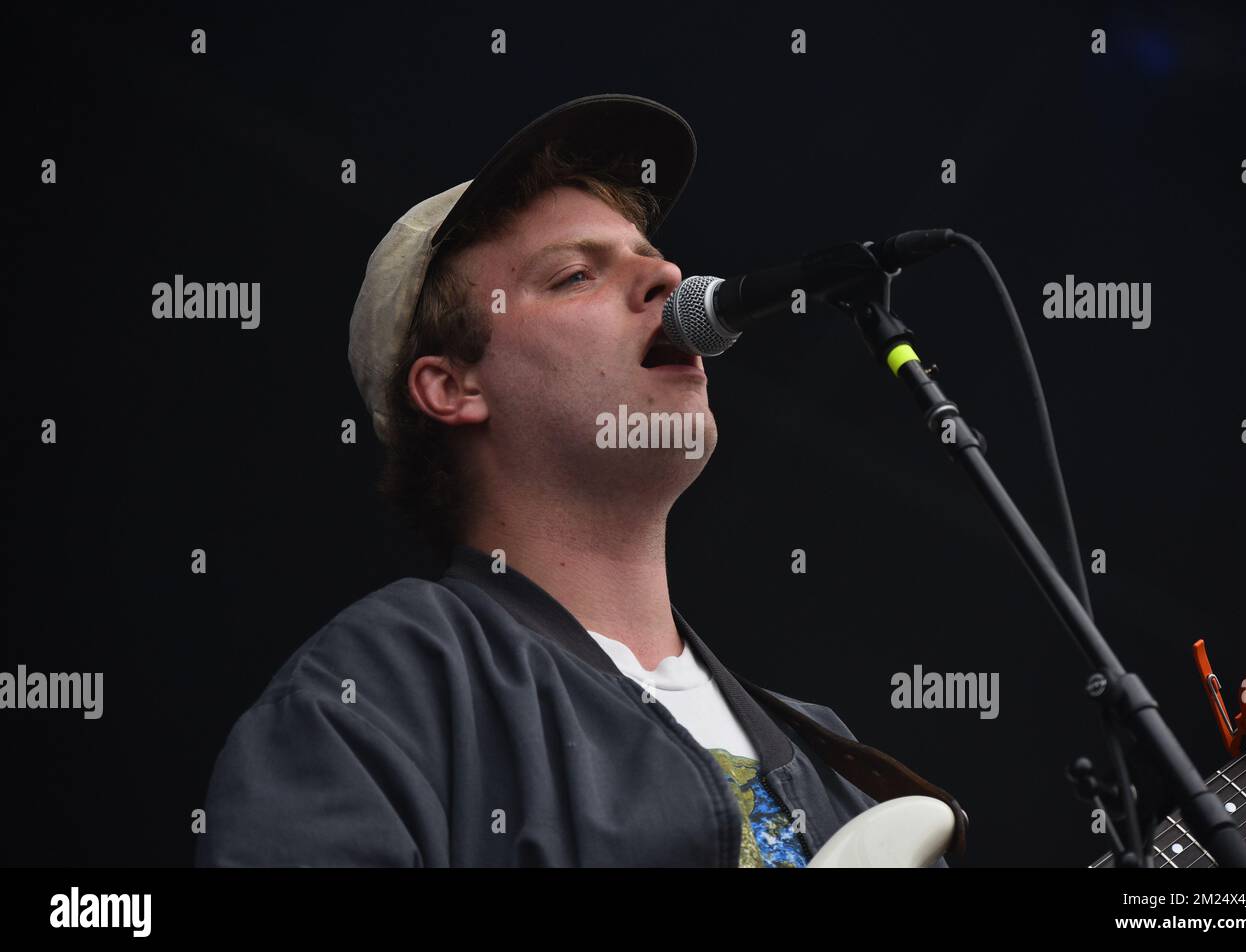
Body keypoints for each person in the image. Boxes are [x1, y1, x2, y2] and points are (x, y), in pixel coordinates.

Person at [195, 94, 963, 867]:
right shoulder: (386, 682)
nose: (668, 274)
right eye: (573, 275)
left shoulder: (827, 756)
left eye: (649, 253)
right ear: (452, 387)